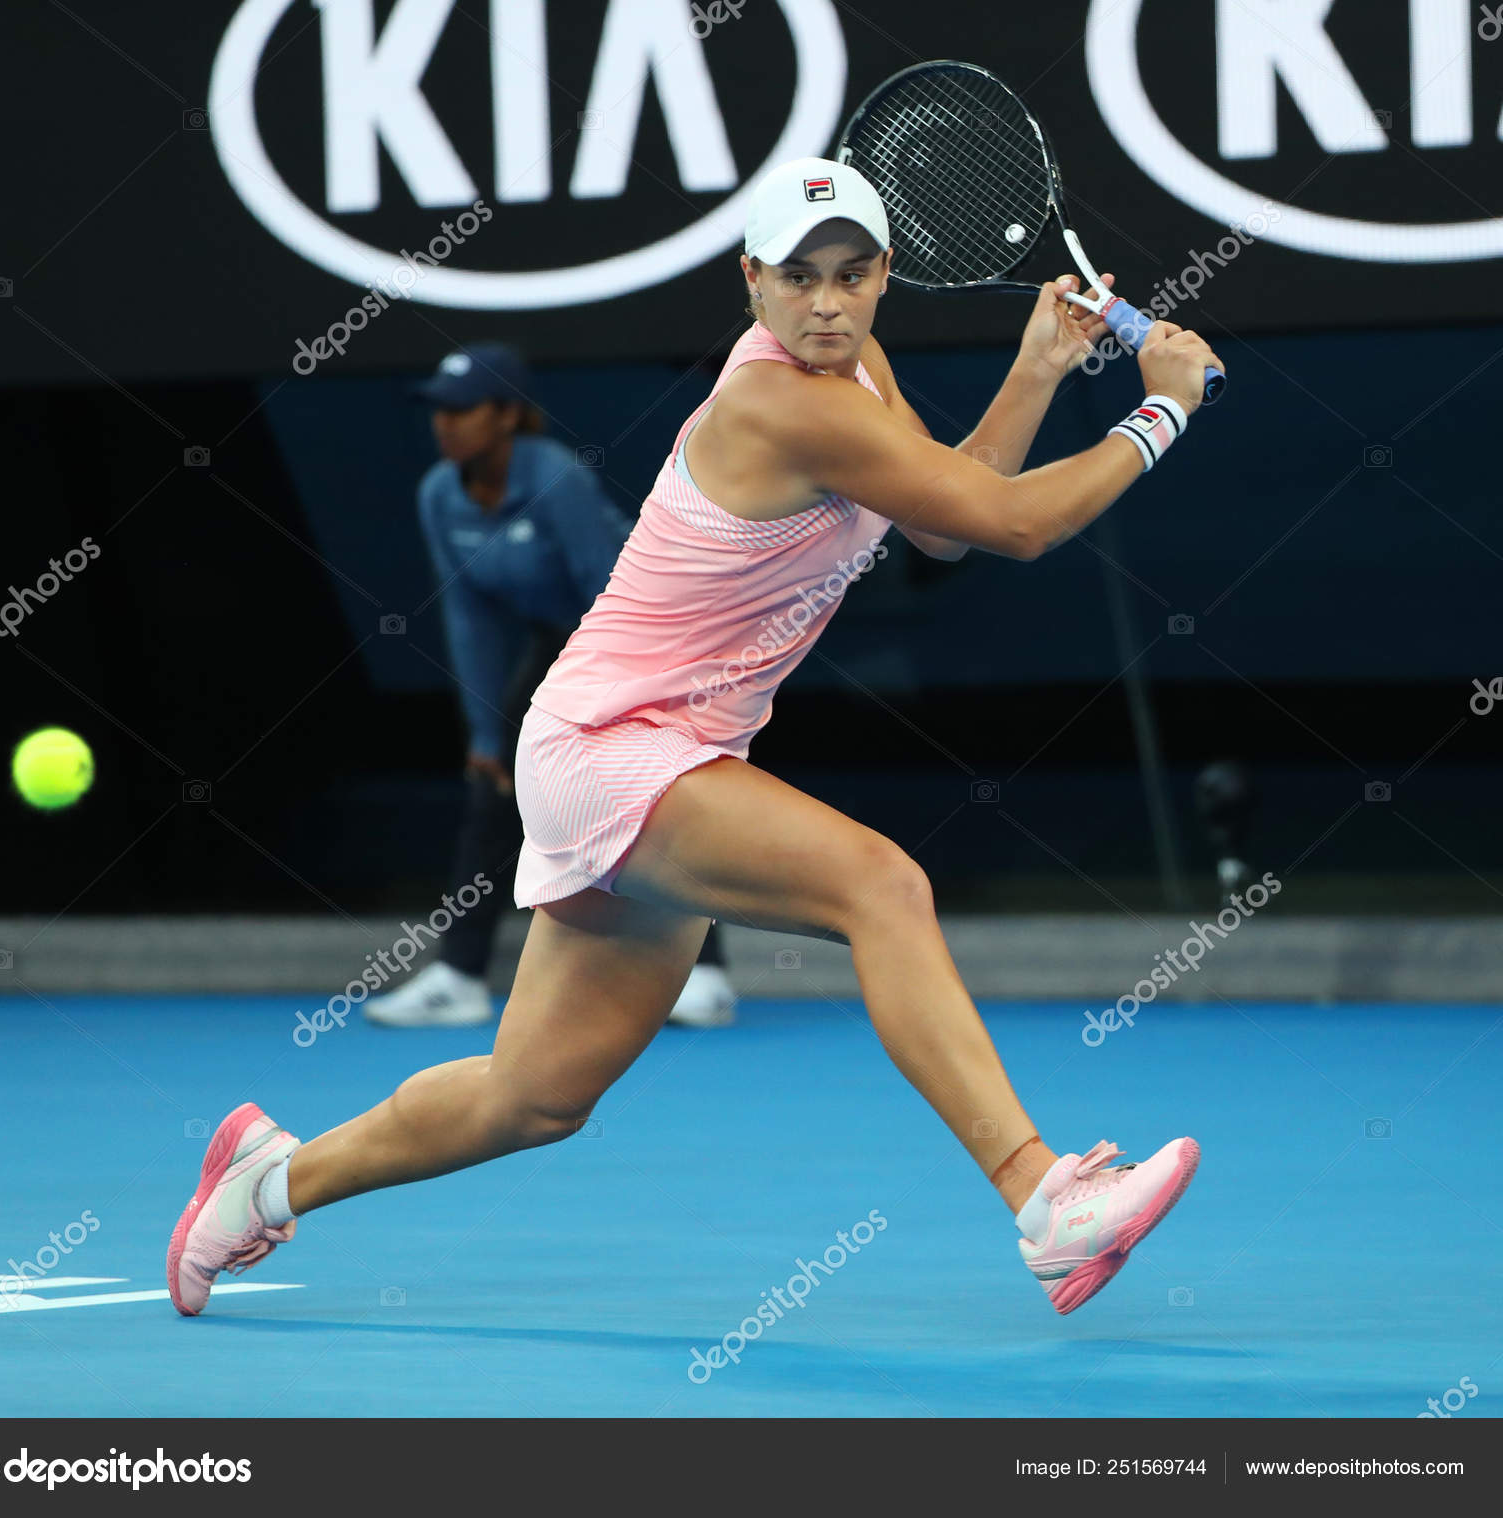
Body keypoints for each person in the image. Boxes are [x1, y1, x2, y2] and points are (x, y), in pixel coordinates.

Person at [168, 156, 1221, 1319]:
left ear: (883, 280)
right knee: (881, 885)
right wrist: (1161, 407)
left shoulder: (857, 367)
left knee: (535, 1099)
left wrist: (1032, 373)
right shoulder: (779, 400)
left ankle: (267, 1181)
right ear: (750, 278)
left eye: (852, 274)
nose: (825, 301)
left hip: (650, 748)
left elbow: (946, 527)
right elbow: (1015, 527)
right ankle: (1043, 1202)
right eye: (796, 276)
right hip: (614, 743)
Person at [361, 343, 735, 1029]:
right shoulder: (438, 495)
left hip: (648, 635)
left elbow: (611, 595)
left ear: (507, 416)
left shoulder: (557, 480)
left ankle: (704, 975)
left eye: (462, 409)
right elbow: (470, 618)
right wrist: (484, 734)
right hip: (557, 643)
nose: (444, 424)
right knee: (494, 787)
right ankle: (459, 976)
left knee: (657, 795)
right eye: (438, 411)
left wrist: (626, 718)